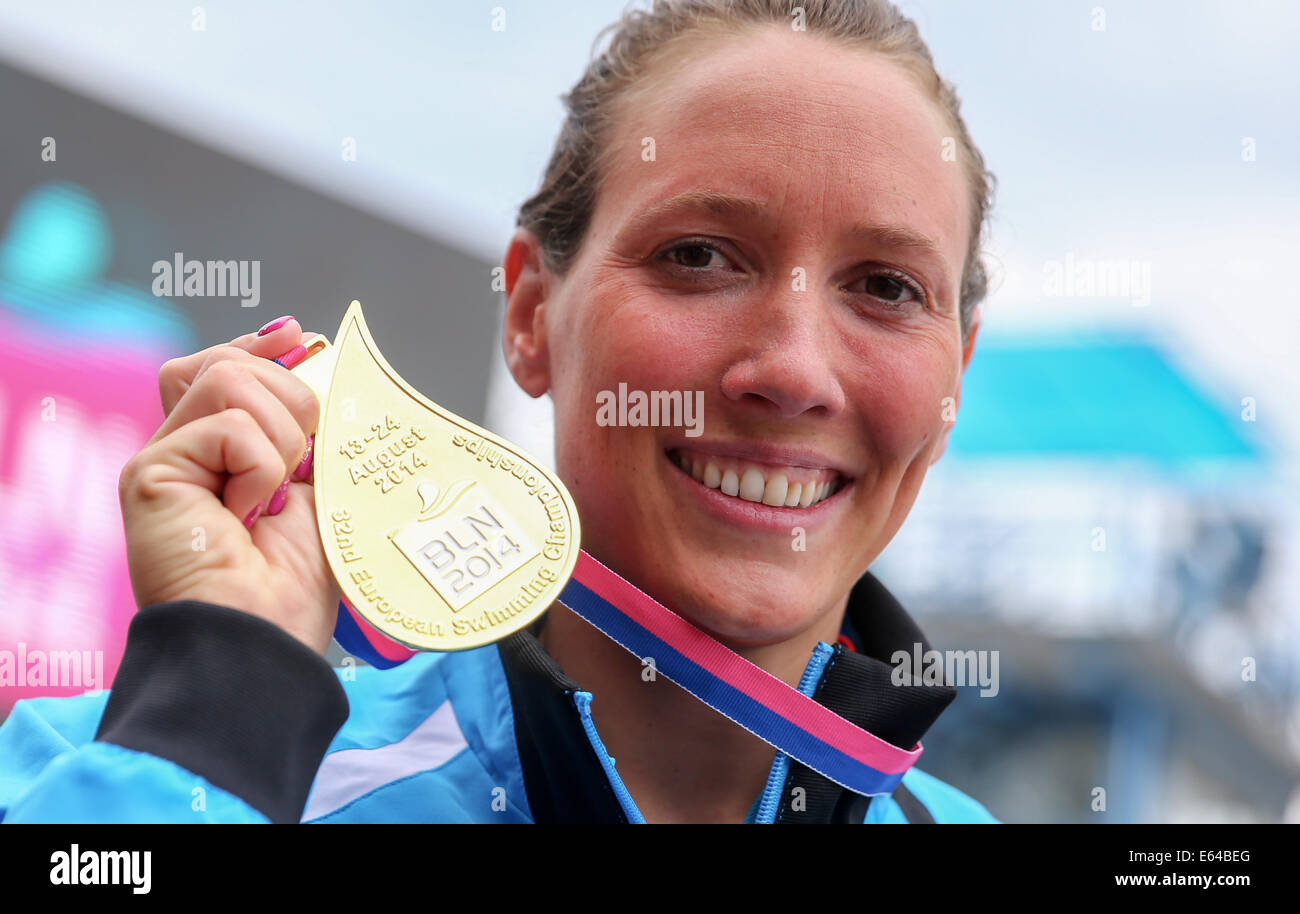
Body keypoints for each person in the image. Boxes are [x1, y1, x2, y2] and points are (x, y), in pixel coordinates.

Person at [0, 0, 998, 824]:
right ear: (530, 315)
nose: (791, 369)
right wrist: (222, 705)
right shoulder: (90, 772)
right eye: (697, 255)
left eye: (885, 286)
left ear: (954, 372)